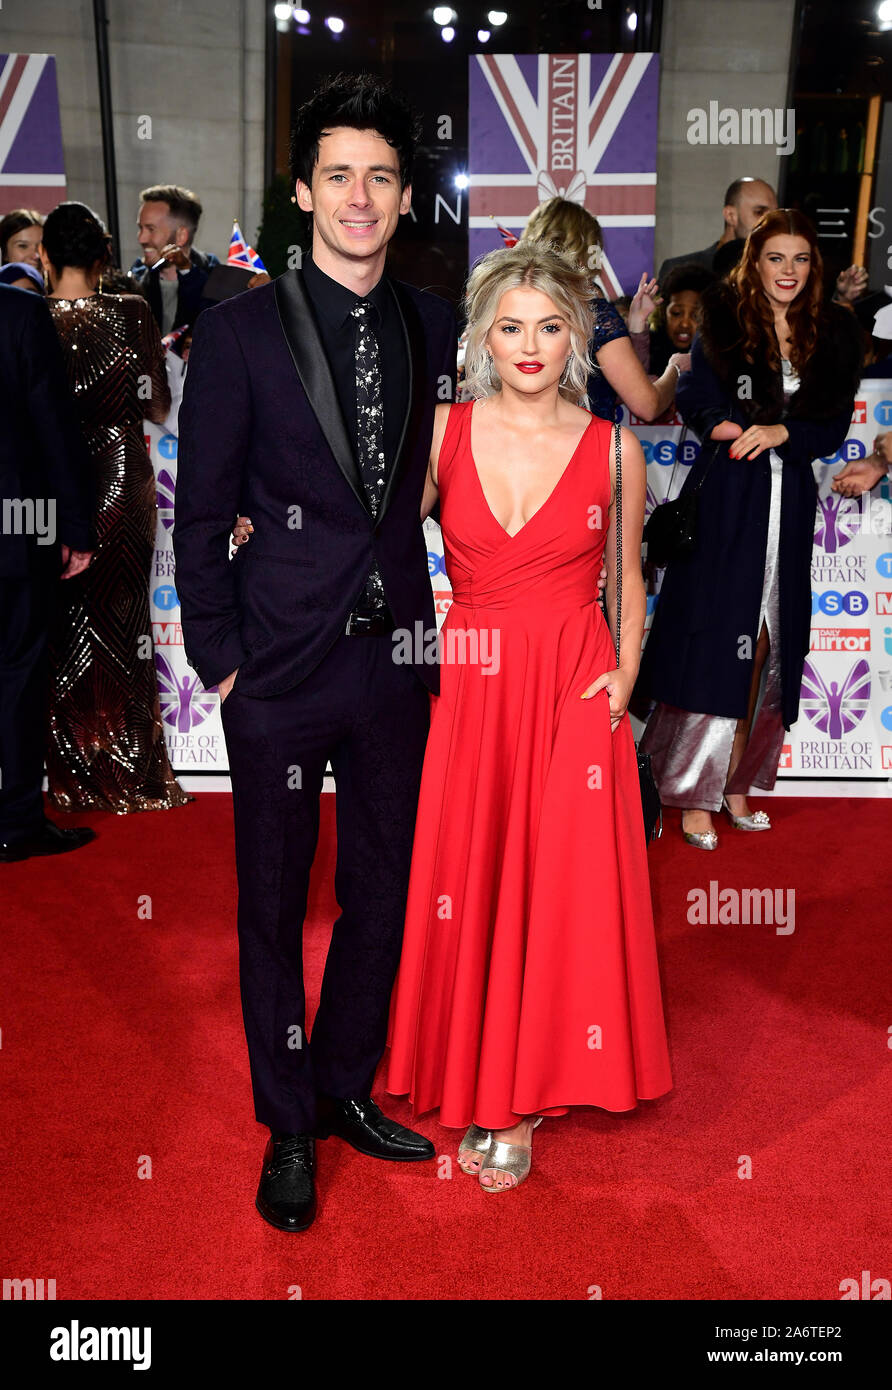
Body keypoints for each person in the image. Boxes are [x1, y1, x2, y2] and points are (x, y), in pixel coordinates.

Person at [174, 74, 458, 1234]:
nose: (358, 195)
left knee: (382, 895)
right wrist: (222, 662)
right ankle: (286, 1119)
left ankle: (342, 1084)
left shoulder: (437, 322)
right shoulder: (239, 331)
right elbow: (199, 516)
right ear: (301, 193)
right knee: (270, 904)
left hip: (394, 659)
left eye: (379, 177)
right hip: (277, 671)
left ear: (401, 197)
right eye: (336, 174)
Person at [385, 239, 672, 1191]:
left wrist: (625, 678)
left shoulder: (613, 446)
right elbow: (376, 542)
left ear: (578, 336)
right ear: (481, 338)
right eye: (511, 327)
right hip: (473, 680)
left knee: (555, 893)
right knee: (473, 878)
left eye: (551, 326)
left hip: (571, 682)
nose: (532, 345)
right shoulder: (441, 435)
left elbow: (626, 580)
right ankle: (473, 1065)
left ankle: (524, 1097)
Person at [637, 210, 863, 848]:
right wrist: (724, 427)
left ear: (811, 268)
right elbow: (695, 395)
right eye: (775, 258)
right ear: (754, 262)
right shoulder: (724, 320)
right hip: (730, 495)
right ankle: (690, 791)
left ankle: (738, 782)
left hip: (788, 500)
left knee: (767, 641)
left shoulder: (834, 331)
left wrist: (782, 432)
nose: (788, 271)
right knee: (714, 632)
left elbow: (832, 421)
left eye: (799, 260)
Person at [39, 201, 189, 814]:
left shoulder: (29, 317)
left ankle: (73, 767)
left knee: (64, 625)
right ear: (103, 256)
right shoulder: (132, 313)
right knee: (126, 624)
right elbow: (156, 406)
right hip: (123, 479)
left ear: (45, 255)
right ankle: (131, 763)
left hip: (57, 484)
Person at [0, 283, 95, 863]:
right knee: (18, 675)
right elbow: (54, 427)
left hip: (19, 532)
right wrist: (75, 530)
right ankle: (14, 823)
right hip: (17, 530)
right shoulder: (20, 312)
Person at [521, 197, 687, 422]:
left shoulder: (514, 306)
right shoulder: (593, 314)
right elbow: (647, 404)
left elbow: (614, 380)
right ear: (587, 247)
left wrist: (635, 326)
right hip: (579, 447)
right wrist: (675, 369)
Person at [128, 185, 220, 334]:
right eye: (140, 228)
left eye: (151, 229)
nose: (141, 238)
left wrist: (187, 271)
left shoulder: (212, 274)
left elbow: (212, 323)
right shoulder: (137, 274)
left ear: (181, 236)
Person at [657, 177, 778, 283]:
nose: (769, 223)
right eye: (759, 212)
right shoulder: (677, 268)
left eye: (774, 216)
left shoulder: (777, 272)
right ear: (730, 215)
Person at [638, 263, 716, 375]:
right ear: (663, 312)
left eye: (696, 316)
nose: (684, 324)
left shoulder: (718, 360)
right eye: (676, 313)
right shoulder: (646, 348)